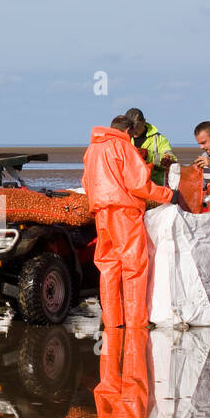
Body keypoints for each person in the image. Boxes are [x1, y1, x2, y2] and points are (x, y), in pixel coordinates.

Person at [82, 115, 174, 330]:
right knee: (133, 266)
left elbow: (87, 182)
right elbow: (138, 185)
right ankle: (135, 322)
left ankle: (113, 322)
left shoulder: (92, 150)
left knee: (108, 266)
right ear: (129, 131)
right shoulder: (123, 147)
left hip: (101, 212)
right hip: (124, 212)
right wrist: (169, 195)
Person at [124, 107, 175, 186]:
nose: (134, 130)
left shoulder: (159, 139)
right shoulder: (122, 139)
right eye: (132, 128)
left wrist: (149, 155)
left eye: (137, 127)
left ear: (144, 121)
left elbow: (173, 163)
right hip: (130, 189)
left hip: (154, 188)